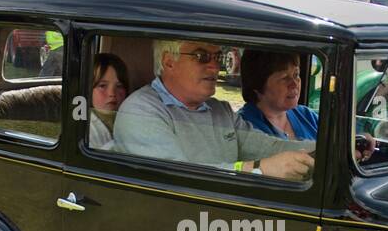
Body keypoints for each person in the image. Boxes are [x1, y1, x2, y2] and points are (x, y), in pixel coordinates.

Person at [112, 40, 314, 179]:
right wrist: (259, 170)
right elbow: (176, 178)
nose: (215, 67)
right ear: (169, 62)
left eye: (217, 57)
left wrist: (322, 151)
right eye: (201, 57)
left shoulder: (220, 110)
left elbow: (269, 147)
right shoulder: (141, 111)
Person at [236, 50, 319, 141]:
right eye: (284, 78)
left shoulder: (307, 116)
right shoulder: (243, 126)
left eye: (296, 75)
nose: (294, 84)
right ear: (257, 84)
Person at [88, 53, 129, 149]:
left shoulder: (130, 121)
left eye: (119, 86)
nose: (112, 93)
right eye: (102, 86)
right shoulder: (84, 130)